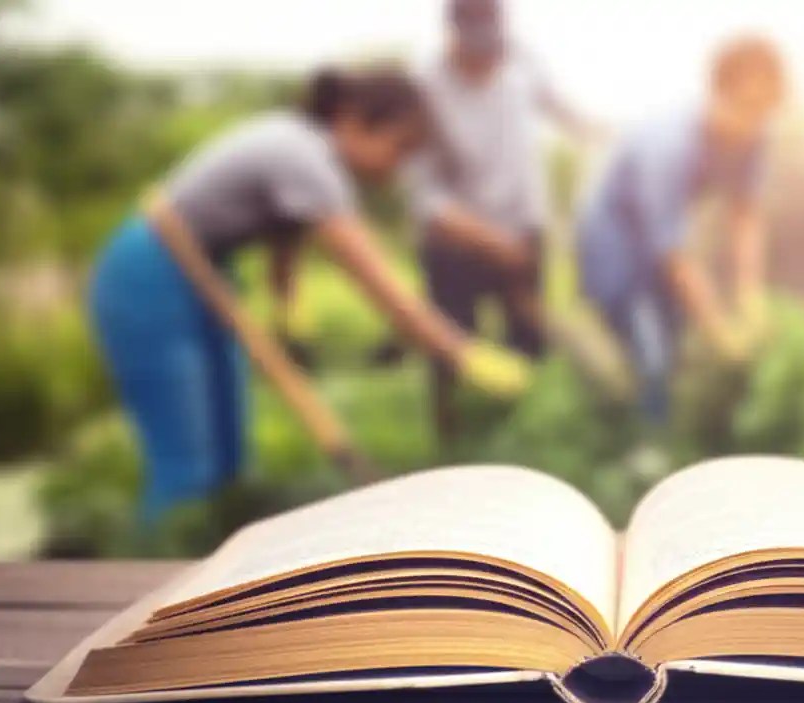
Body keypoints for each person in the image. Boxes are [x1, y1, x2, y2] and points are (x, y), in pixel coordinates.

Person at [88, 66, 531, 524]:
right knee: (188, 472)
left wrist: (289, 310)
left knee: (227, 461)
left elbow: (285, 242)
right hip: (150, 272)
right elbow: (382, 286)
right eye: (397, 148)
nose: (394, 167)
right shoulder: (306, 160)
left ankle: (216, 574)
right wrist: (466, 355)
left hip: (205, 273)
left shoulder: (298, 147)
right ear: (352, 120)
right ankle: (157, 576)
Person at [406, 0, 599, 441]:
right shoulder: (423, 87)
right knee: (453, 343)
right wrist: (491, 243)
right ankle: (453, 439)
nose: (490, 59)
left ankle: (527, 431)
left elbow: (562, 110)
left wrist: (600, 135)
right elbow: (424, 196)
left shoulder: (523, 61)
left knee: (530, 337)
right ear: (452, 33)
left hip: (525, 230)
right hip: (455, 240)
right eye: (479, 50)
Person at [577, 36, 785, 423]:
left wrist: (749, 291)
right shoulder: (668, 145)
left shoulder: (753, 136)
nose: (756, 119)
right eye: (746, 106)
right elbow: (674, 256)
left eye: (765, 108)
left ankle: (660, 423)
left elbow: (746, 215)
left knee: (673, 341)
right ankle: (643, 454)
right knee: (649, 353)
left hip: (659, 240)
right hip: (615, 242)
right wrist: (720, 327)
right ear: (717, 94)